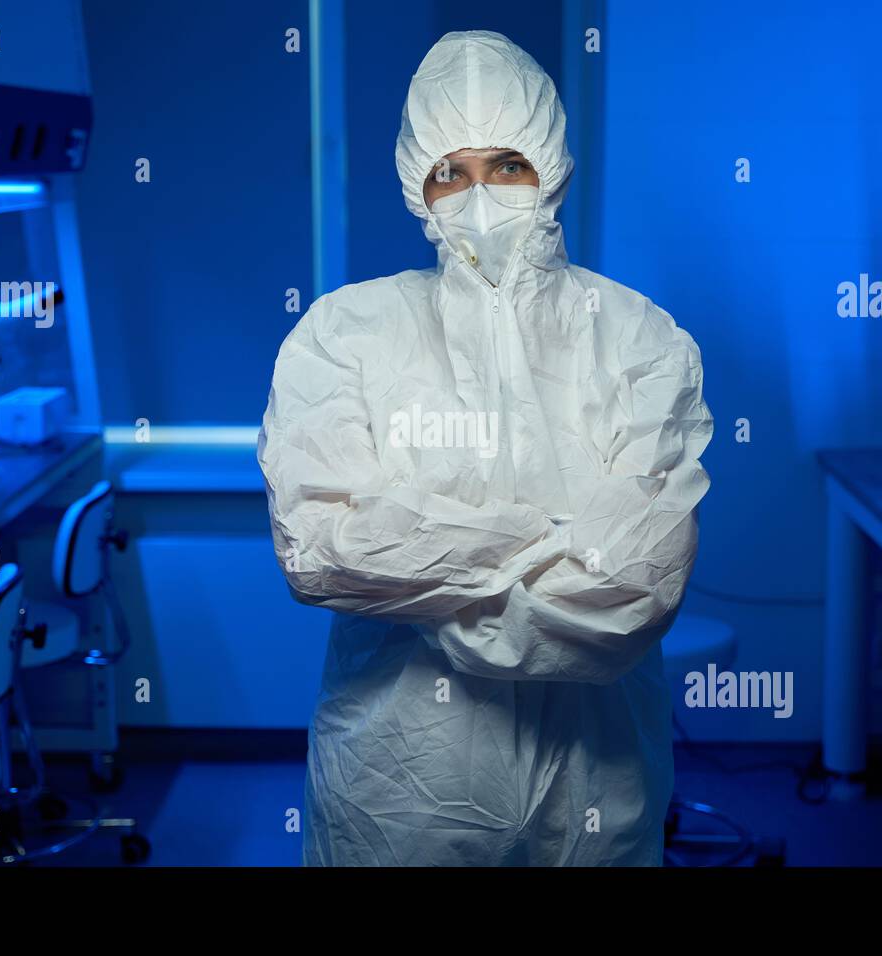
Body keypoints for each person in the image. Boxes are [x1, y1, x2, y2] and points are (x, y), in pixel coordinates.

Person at [258, 30, 712, 866]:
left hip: (597, 777)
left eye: (506, 165)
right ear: (416, 186)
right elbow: (320, 553)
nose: (478, 197)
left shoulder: (641, 339)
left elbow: (632, 592)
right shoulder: (346, 335)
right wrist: (547, 538)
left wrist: (432, 569)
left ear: (552, 164)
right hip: (401, 778)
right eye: (449, 173)